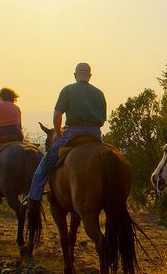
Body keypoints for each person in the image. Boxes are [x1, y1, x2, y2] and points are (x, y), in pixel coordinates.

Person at [23, 62, 106, 208]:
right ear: (90, 76)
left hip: (73, 132)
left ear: (75, 75)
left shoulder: (68, 90)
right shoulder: (99, 93)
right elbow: (103, 121)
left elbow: (57, 115)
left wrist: (58, 131)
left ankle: (33, 198)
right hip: (95, 134)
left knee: (45, 162)